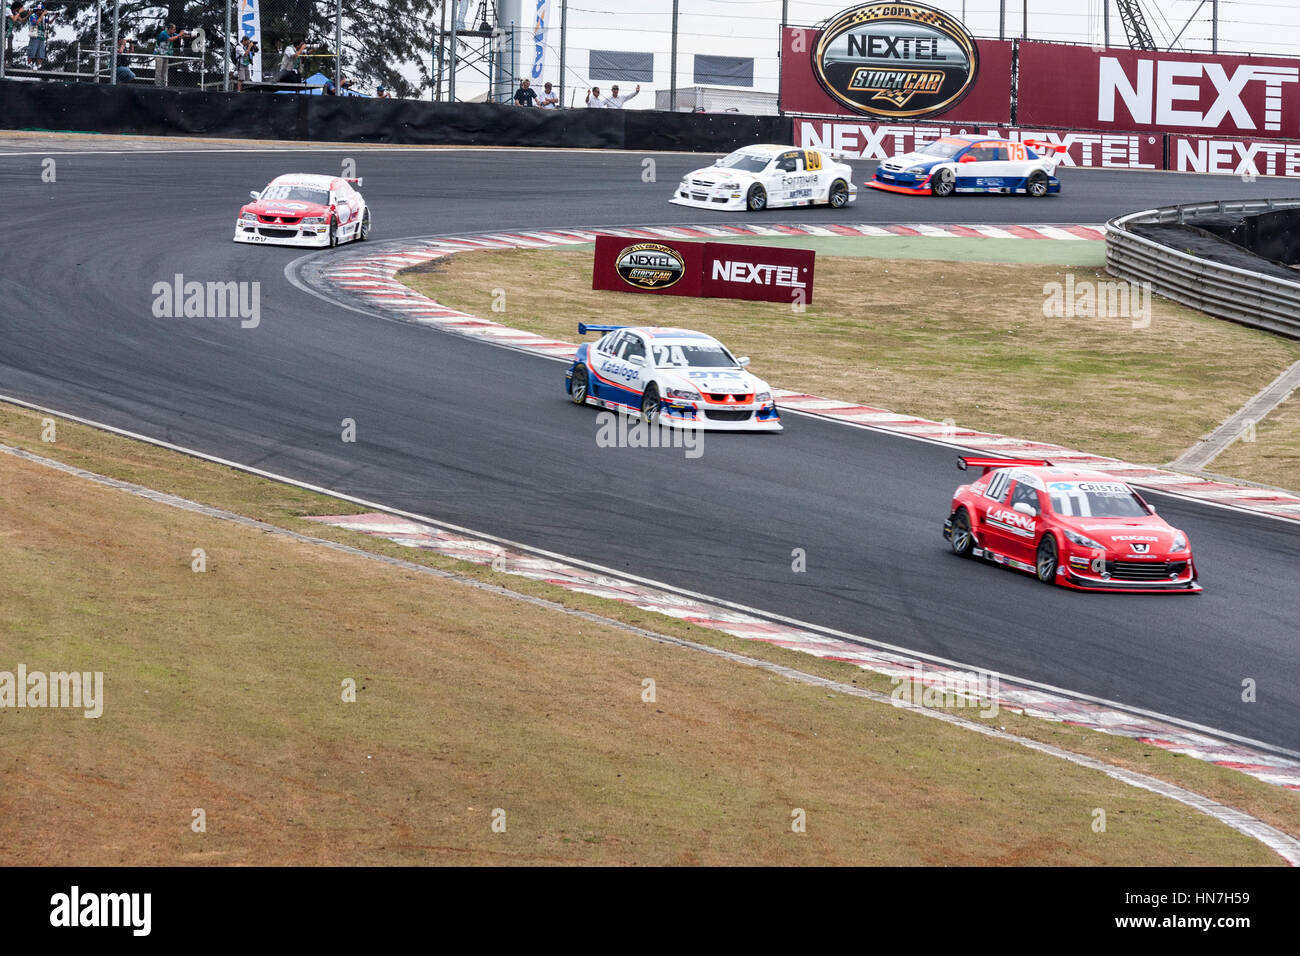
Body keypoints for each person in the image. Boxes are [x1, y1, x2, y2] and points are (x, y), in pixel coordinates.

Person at [154, 22, 191, 87]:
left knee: (164, 70)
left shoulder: (172, 34)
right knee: (159, 70)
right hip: (159, 54)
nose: (175, 30)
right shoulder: (163, 33)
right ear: (170, 29)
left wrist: (188, 35)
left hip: (165, 54)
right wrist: (179, 34)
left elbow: (180, 36)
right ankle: (157, 85)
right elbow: (171, 39)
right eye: (174, 29)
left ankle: (163, 85)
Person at [25, 2, 46, 70]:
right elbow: (36, 22)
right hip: (34, 36)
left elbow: (49, 22)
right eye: (39, 10)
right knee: (32, 50)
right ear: (37, 10)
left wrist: (55, 17)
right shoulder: (33, 16)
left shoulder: (43, 17)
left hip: (41, 37)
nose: (40, 11)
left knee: (41, 52)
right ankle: (29, 64)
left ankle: (39, 65)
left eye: (41, 10)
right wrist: (43, 14)